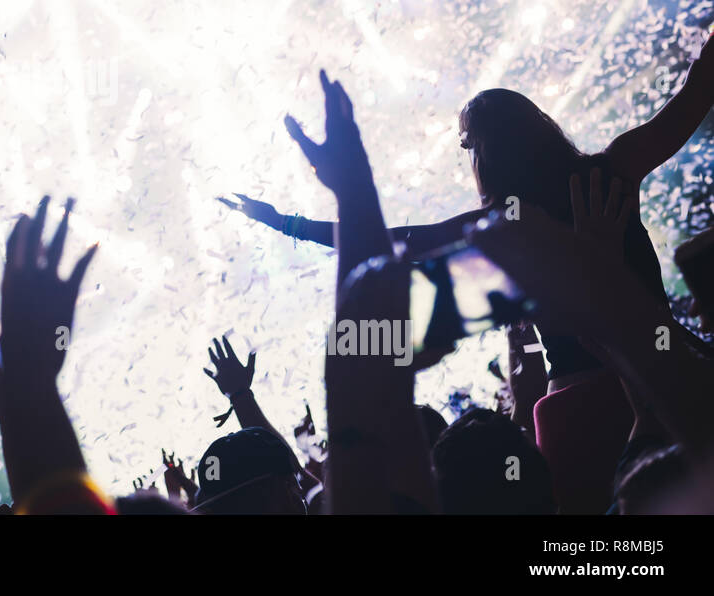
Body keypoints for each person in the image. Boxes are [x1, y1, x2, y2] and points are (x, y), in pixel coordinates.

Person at [228, 30, 714, 389]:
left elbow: (392, 242)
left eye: (468, 146)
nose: (470, 161)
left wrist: (287, 222)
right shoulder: (610, 172)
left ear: (489, 150)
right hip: (666, 369)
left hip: (580, 403)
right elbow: (693, 97)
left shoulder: (503, 228)